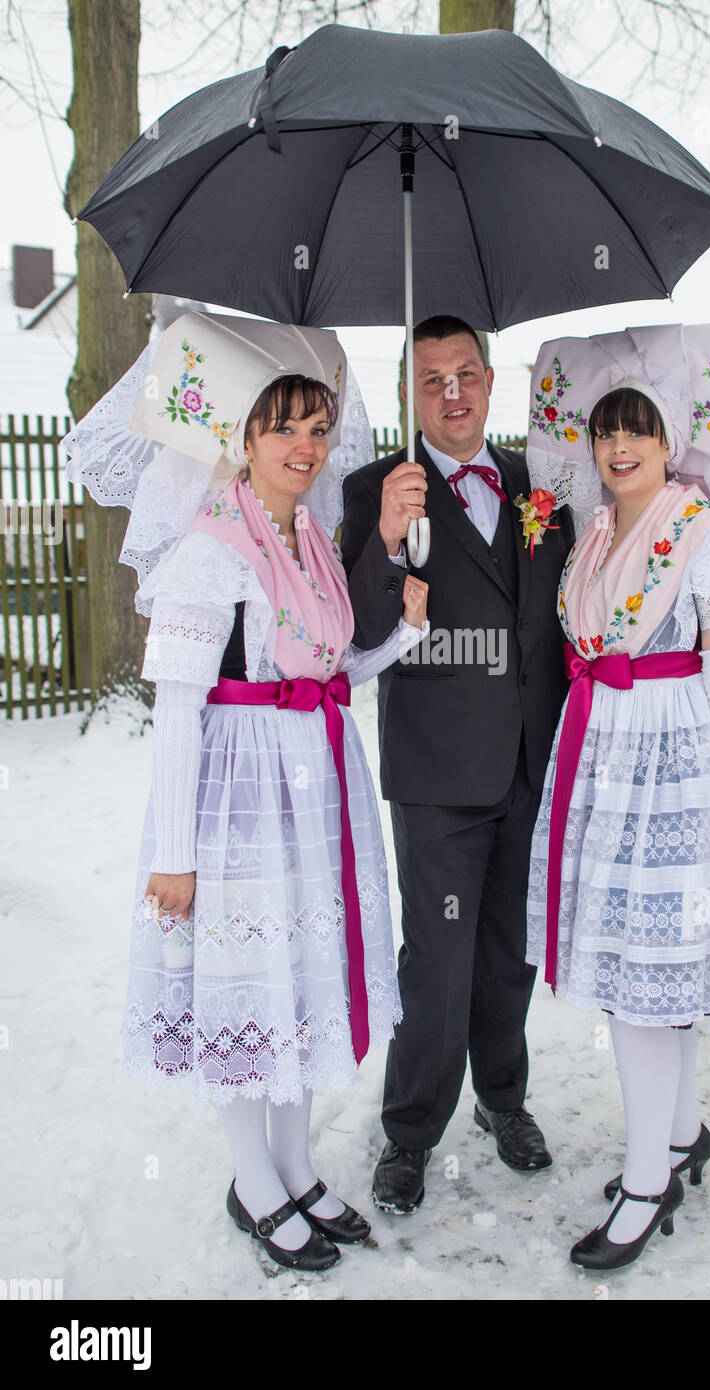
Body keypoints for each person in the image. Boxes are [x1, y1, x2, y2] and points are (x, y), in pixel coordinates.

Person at [64, 312, 429, 1271]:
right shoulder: (207, 550)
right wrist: (176, 858)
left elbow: (329, 667)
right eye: (283, 429)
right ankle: (255, 1185)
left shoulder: (308, 540)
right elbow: (180, 710)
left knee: (297, 985)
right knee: (243, 987)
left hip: (313, 788)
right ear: (241, 438)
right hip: (236, 795)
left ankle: (296, 1166)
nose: (306, 448)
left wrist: (404, 634)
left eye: (317, 427)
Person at [523, 324, 710, 1271]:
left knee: (648, 984)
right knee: (646, 978)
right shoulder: (597, 532)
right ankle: (679, 1137)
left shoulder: (706, 535)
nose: (617, 446)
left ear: (670, 438)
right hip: (606, 761)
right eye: (605, 429)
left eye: (636, 428)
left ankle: (646, 1184)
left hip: (676, 768)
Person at [340, 315, 575, 1214]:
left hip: (528, 760)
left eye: (466, 373)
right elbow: (354, 634)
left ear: (489, 380)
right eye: (431, 377)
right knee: (436, 958)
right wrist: (388, 541)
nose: (452, 392)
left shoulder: (533, 485)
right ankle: (408, 1132)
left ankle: (503, 1099)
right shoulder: (375, 490)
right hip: (436, 770)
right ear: (410, 394)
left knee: (507, 953)